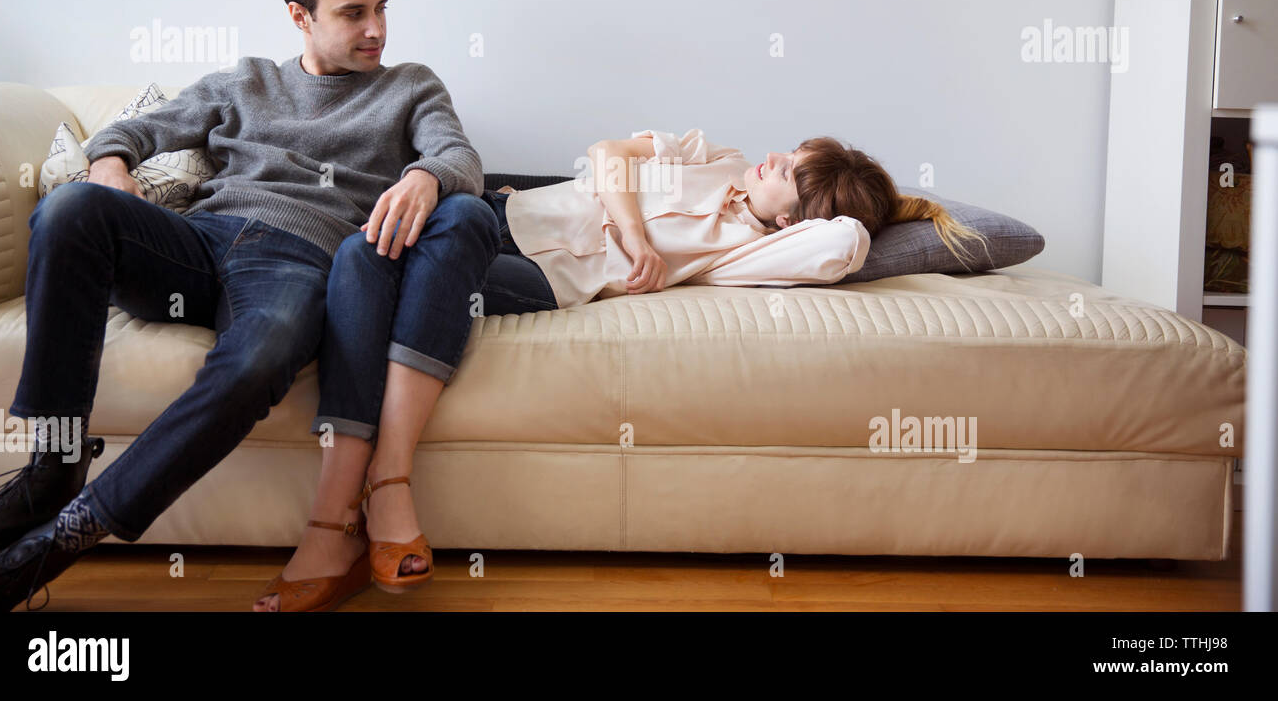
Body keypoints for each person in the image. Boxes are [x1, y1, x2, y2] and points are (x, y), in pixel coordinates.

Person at [252, 126, 989, 610]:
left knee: (378, 256)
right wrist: (635, 232)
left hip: (542, 274)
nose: (775, 158)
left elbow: (845, 247)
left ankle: (349, 509)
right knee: (375, 246)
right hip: (512, 207)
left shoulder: (756, 247)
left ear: (796, 217)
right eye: (789, 151)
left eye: (791, 172)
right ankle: (375, 500)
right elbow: (609, 153)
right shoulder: (717, 155)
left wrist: (883, 205)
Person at [0, 0, 494, 613]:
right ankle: (53, 468)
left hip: (299, 263)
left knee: (260, 358)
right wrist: (108, 167)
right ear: (300, 17)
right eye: (353, 13)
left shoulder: (410, 87)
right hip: (196, 245)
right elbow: (133, 133)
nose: (377, 29)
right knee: (73, 208)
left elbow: (459, 156)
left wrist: (428, 177)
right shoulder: (245, 81)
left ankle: (65, 539)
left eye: (382, 8)